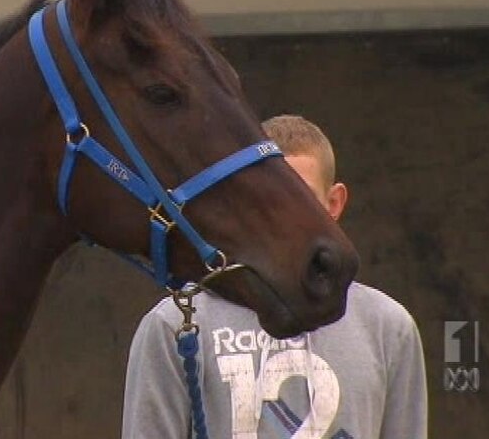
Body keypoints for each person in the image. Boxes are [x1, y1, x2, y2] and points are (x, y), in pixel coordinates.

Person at [122, 115, 427, 439]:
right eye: (269, 197)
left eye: (302, 195)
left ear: (334, 203)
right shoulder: (176, 324)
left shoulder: (387, 327)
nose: (286, 215)